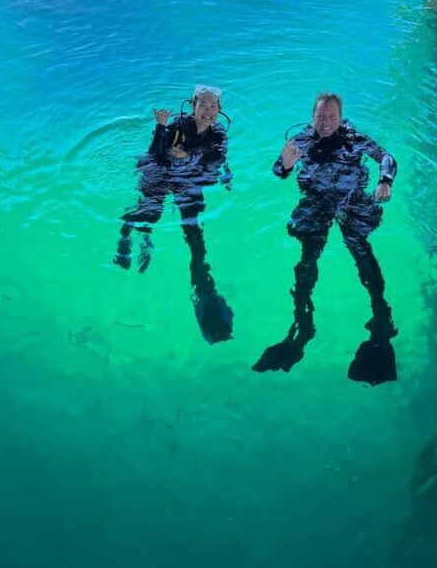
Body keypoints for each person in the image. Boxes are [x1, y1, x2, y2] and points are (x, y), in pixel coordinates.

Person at [252, 92, 398, 384]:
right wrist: (287, 165)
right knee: (307, 259)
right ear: (312, 116)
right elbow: (278, 169)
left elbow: (386, 157)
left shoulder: (355, 138)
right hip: (317, 201)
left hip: (350, 200)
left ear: (341, 117)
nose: (326, 122)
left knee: (361, 251)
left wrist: (385, 181)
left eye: (332, 117)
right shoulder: (303, 140)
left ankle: (381, 319)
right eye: (321, 117)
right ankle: (302, 324)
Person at [114, 85, 233, 344]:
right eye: (203, 105)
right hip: (161, 172)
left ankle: (204, 288)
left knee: (193, 230)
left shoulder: (219, 136)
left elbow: (213, 164)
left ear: (219, 110)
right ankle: (127, 230)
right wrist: (161, 128)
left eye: (213, 106)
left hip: (188, 181)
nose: (208, 111)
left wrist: (190, 158)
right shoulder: (178, 126)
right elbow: (153, 153)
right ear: (193, 106)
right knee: (150, 215)